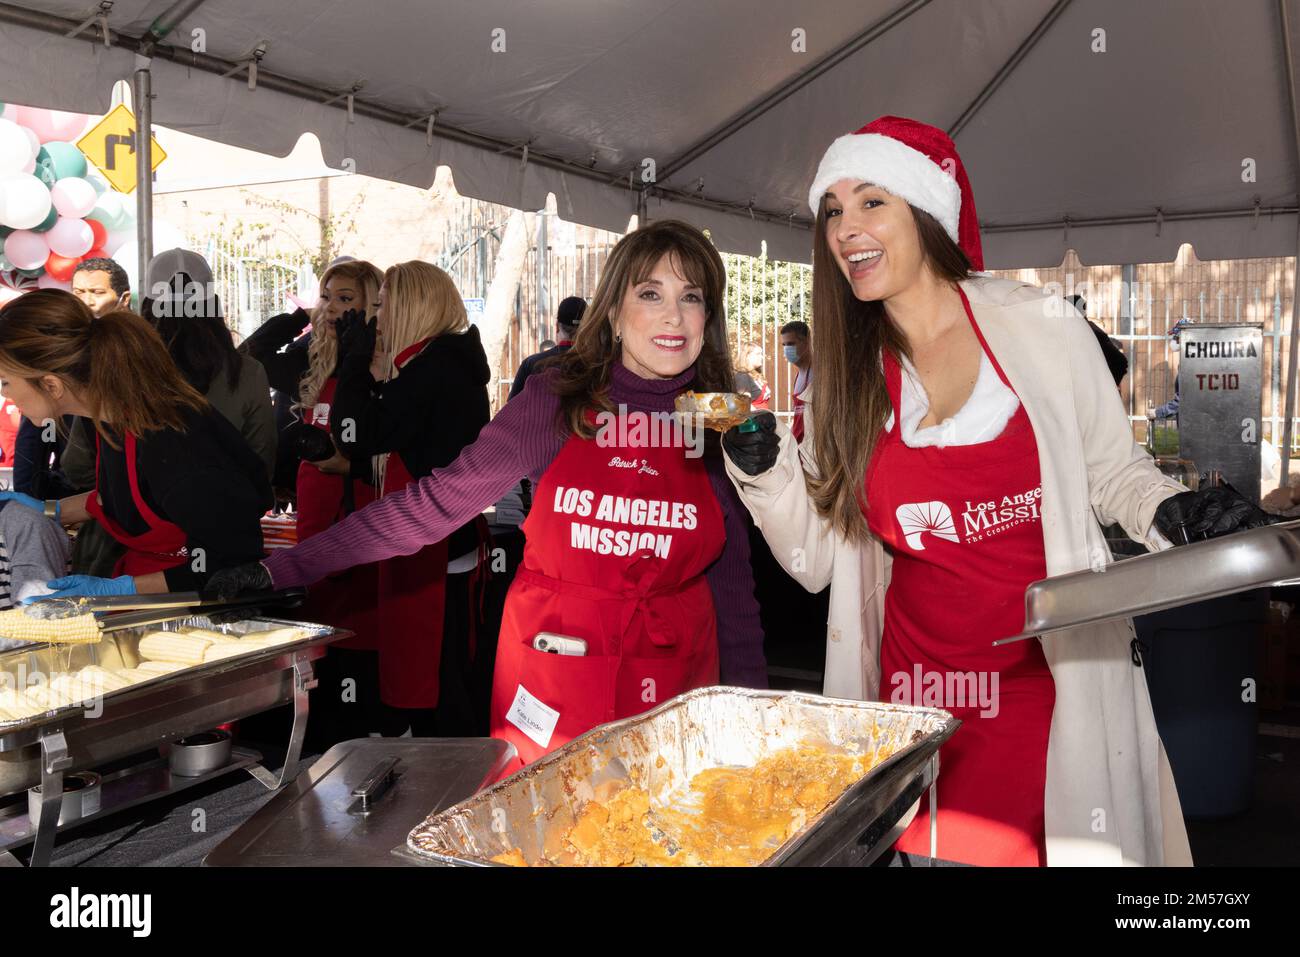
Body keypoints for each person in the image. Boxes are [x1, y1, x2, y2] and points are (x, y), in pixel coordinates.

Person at [720, 116, 1268, 867]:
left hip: (1047, 704)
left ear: (927, 212)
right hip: (913, 715)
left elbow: (1113, 471)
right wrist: (765, 472)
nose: (847, 227)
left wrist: (1172, 509)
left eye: (872, 201)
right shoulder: (846, 378)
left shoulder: (1040, 330)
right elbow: (817, 557)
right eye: (832, 210)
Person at [208, 220, 766, 769]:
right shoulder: (556, 401)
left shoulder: (714, 422)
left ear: (707, 317)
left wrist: (750, 724)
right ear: (615, 313)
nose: (673, 315)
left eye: (691, 296)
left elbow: (733, 588)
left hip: (674, 676)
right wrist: (283, 569)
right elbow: (429, 508)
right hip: (559, 672)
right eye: (651, 293)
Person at [0, 290, 272, 597]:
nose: (6, 395)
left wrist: (120, 587)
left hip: (202, 606)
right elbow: (118, 498)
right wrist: (49, 510)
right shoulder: (107, 418)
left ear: (51, 385)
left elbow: (229, 562)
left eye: (5, 381)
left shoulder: (172, 441)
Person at [329, 261, 493, 736]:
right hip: (441, 539)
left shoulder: (436, 368)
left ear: (412, 306)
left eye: (382, 306)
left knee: (438, 678)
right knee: (440, 670)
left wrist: (354, 365)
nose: (376, 318)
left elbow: (357, 434)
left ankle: (449, 786)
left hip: (436, 547)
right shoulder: (444, 361)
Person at [240, 258, 387, 743]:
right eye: (328, 296)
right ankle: (322, 732)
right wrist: (304, 316)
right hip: (312, 506)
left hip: (359, 507)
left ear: (371, 305)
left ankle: (363, 726)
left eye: (346, 299)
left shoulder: (381, 364)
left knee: (359, 624)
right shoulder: (313, 356)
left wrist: (357, 346)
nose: (333, 308)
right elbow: (252, 356)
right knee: (318, 614)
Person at [141, 249, 277, 481]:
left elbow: (78, 464)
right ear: (213, 305)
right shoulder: (247, 372)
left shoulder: (121, 370)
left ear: (147, 306)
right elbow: (262, 463)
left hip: (133, 514)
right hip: (225, 511)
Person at [509, 295, 586, 398]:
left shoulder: (531, 364)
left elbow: (512, 406)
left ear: (557, 327)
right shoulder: (598, 366)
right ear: (587, 327)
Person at [780, 320, 813, 442]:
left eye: (791, 343)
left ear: (807, 342)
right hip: (798, 444)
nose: (787, 349)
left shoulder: (817, 375)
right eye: (784, 345)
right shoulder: (799, 374)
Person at [733, 343, 771, 410]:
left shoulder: (757, 375)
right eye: (758, 354)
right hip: (754, 418)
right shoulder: (742, 376)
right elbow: (744, 405)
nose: (761, 357)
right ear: (747, 356)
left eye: (761, 354)